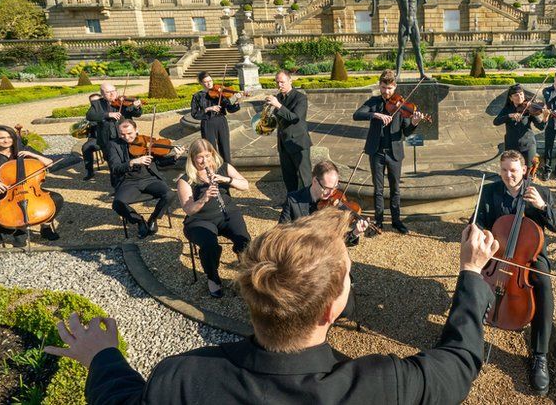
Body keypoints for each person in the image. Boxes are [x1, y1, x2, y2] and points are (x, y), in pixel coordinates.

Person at [45, 208, 500, 405]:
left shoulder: (182, 379)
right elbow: (460, 359)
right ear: (329, 310)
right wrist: (471, 271)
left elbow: (119, 400)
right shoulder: (386, 385)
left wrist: (103, 357)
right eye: (347, 277)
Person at [474, 150, 556, 396]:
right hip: (497, 254)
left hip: (529, 257)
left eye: (513, 170)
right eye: (504, 170)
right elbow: (478, 221)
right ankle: (468, 335)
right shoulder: (490, 191)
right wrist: (480, 233)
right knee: (473, 277)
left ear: (525, 170)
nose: (508, 175)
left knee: (543, 286)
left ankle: (539, 355)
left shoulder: (540, 192)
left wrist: (542, 206)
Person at [177, 138, 252, 299]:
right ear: (192, 158)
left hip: (227, 213)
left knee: (244, 240)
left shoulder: (224, 168)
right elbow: (189, 209)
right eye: (200, 157)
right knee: (210, 246)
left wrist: (226, 179)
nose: (205, 161)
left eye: (208, 156)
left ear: (213, 154)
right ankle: (212, 277)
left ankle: (246, 274)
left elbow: (246, 185)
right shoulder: (186, 180)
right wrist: (203, 198)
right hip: (199, 220)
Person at [352, 69, 424, 234]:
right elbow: (356, 115)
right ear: (380, 86)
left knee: (395, 188)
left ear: (395, 87)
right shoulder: (374, 101)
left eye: (390, 88)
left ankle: (396, 221)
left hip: (394, 153)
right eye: (384, 88)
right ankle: (378, 222)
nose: (386, 92)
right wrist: (376, 115)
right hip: (376, 152)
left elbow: (406, 132)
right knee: (378, 189)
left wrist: (414, 122)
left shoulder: (401, 104)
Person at [355, 0, 460, 80]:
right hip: (403, 24)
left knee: (417, 49)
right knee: (401, 50)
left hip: (414, 23)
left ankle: (422, 74)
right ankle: (398, 74)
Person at [0, 125, 62, 247]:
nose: (6, 141)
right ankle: (17, 230)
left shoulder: (24, 150)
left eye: (9, 137)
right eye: (1, 138)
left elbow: (49, 163)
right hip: (3, 195)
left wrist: (34, 155)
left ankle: (45, 226)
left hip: (31, 189)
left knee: (57, 199)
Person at [105, 119, 184, 239]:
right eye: (122, 134)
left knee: (170, 194)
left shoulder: (146, 142)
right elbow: (115, 168)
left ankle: (153, 219)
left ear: (137, 130)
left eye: (130, 133)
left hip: (150, 179)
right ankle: (139, 221)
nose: (126, 137)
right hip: (128, 181)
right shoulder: (113, 145)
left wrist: (175, 157)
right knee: (117, 203)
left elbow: (159, 163)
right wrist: (132, 162)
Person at [279, 160, 370, 245]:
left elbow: (338, 243)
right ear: (315, 181)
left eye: (335, 187)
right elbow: (280, 234)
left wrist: (355, 233)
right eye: (327, 188)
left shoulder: (336, 205)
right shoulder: (293, 200)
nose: (331, 192)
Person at [266, 70, 311, 193]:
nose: (279, 85)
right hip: (283, 143)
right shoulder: (279, 97)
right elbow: (279, 119)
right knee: (288, 177)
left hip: (298, 142)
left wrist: (278, 105)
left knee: (304, 177)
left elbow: (295, 118)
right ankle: (291, 203)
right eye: (277, 82)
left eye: (282, 82)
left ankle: (310, 205)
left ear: (290, 81)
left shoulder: (300, 97)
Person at [190, 71, 243, 164]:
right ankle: (213, 168)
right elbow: (194, 114)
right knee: (209, 148)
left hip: (221, 121)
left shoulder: (220, 92)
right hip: (207, 123)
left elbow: (230, 109)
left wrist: (236, 100)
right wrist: (208, 109)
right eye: (206, 82)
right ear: (201, 83)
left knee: (225, 146)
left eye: (210, 80)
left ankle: (227, 167)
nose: (209, 83)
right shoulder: (197, 96)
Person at [493, 84, 547, 165]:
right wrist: (509, 115)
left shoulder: (529, 109)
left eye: (521, 94)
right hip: (511, 144)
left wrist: (545, 117)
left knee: (528, 168)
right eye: (516, 95)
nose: (520, 97)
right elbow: (496, 122)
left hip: (528, 144)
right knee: (513, 167)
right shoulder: (507, 109)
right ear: (511, 98)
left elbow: (541, 127)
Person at [85, 83, 142, 154]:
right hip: (108, 138)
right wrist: (108, 114)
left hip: (125, 135)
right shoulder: (97, 104)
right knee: (113, 159)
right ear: (102, 94)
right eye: (108, 92)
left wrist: (136, 107)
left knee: (131, 154)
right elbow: (89, 115)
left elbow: (137, 114)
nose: (112, 94)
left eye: (114, 91)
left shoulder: (124, 102)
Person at [80, 93, 103, 181]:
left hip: (109, 137)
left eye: (97, 101)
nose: (95, 104)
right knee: (86, 147)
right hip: (96, 138)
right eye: (92, 102)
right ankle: (90, 171)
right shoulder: (90, 112)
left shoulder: (107, 109)